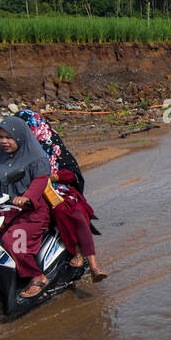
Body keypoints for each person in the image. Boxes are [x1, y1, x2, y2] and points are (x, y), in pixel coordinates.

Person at [0, 116, 54, 298]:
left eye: (8, 137)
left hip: (31, 214)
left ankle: (37, 276)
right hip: (5, 212)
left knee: (14, 242)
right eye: (0, 137)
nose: (4, 142)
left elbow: (40, 181)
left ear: (20, 137)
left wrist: (26, 197)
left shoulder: (36, 158)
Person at [17, 109, 106, 282]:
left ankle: (91, 264)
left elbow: (72, 173)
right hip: (33, 194)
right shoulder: (15, 150)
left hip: (63, 191)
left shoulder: (53, 147)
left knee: (77, 215)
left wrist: (54, 177)